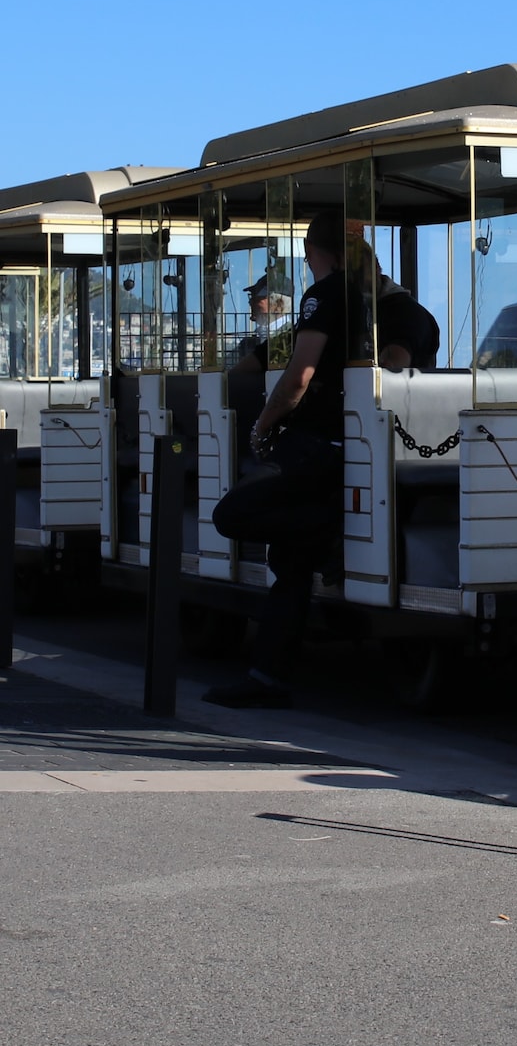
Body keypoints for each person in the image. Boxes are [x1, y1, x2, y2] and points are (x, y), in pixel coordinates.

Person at [202, 212, 350, 709]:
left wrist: (263, 425)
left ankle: (327, 526)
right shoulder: (363, 297)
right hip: (339, 444)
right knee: (291, 564)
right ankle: (266, 676)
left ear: (310, 252)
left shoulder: (322, 297)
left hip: (312, 444)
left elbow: (298, 376)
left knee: (231, 514)